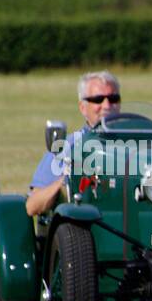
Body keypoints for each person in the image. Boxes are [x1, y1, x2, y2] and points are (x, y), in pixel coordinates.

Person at [26, 71, 121, 217]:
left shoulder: (137, 146)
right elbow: (32, 205)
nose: (107, 105)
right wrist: (65, 180)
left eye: (113, 99)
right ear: (83, 107)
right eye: (98, 99)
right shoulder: (67, 147)